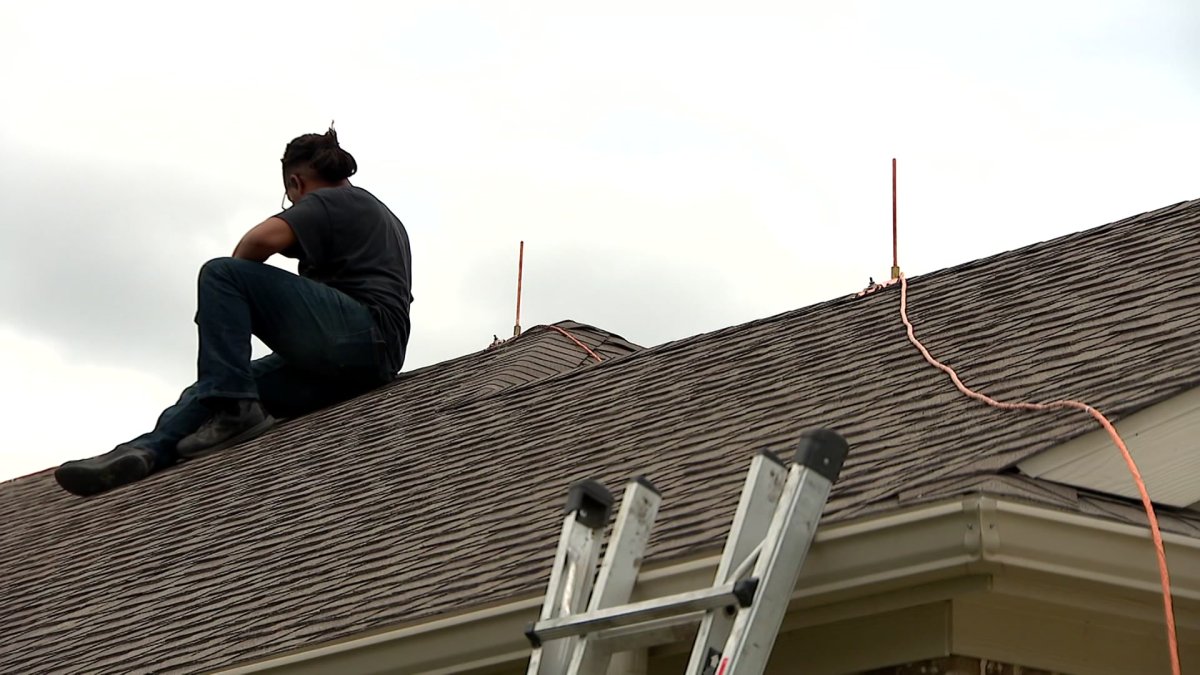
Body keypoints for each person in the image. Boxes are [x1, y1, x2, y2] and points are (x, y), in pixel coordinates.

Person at [55, 127, 413, 497]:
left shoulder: (338, 201)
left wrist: (229, 300)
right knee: (215, 389)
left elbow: (257, 241)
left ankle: (235, 410)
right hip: (357, 363)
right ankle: (145, 451)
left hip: (364, 335)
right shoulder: (374, 214)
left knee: (221, 274)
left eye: (290, 197)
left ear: (295, 182)